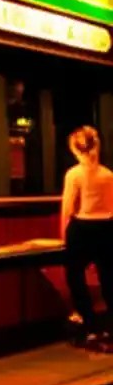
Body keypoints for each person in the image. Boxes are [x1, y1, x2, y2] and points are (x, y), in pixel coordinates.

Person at [61, 126, 113, 342]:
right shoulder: (108, 174)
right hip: (108, 227)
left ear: (75, 148)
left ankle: (90, 324)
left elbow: (68, 208)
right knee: (109, 278)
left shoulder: (74, 174)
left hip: (82, 228)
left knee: (74, 276)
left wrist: (64, 235)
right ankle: (110, 326)